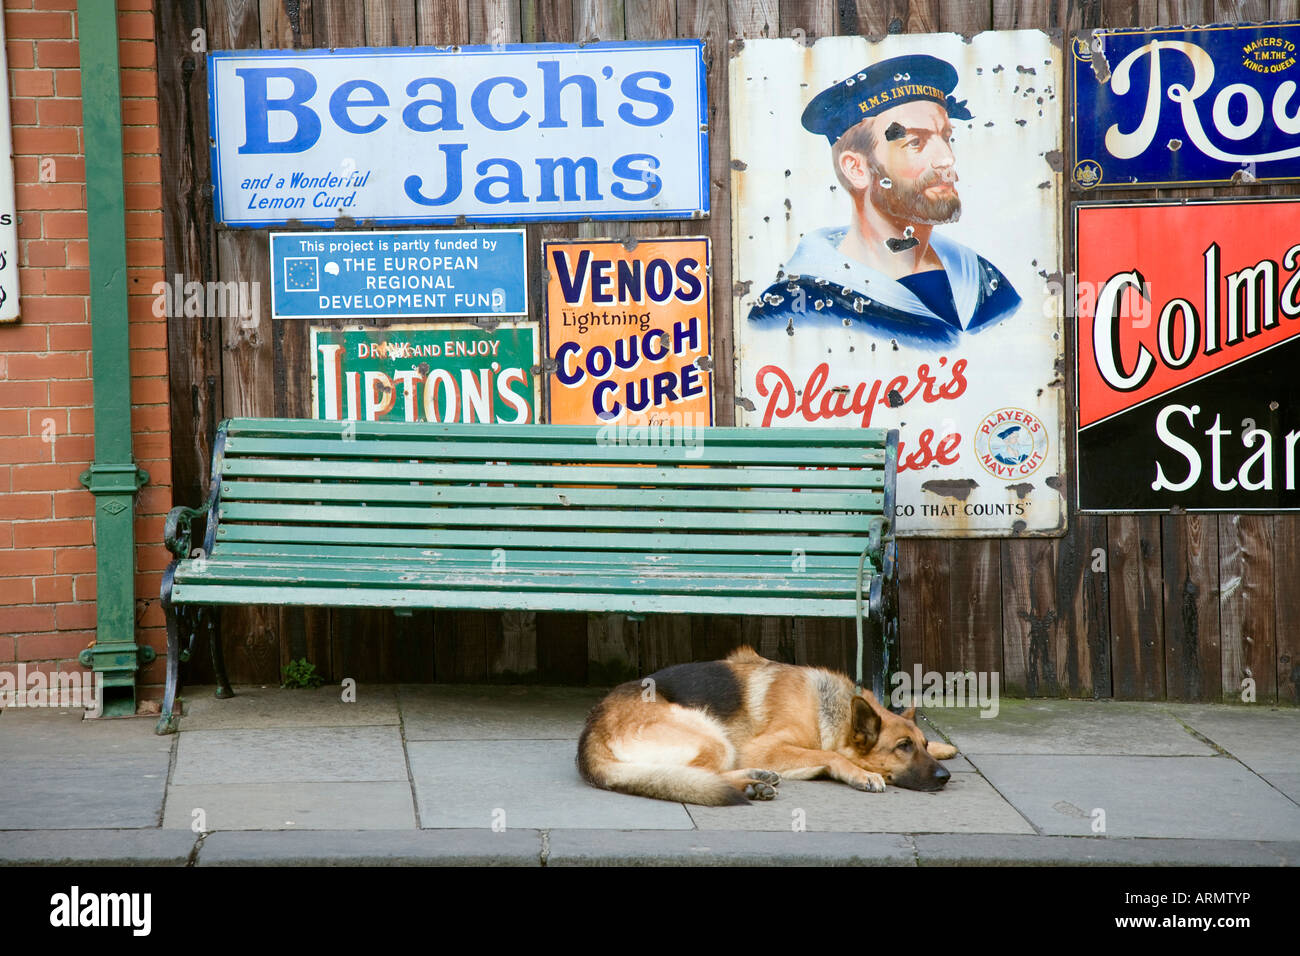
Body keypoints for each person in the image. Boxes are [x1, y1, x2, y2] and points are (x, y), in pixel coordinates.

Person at [747, 54, 1021, 350]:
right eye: (915, 142)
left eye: (946, 137)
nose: (946, 158)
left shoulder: (985, 285)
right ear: (856, 168)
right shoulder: (796, 307)